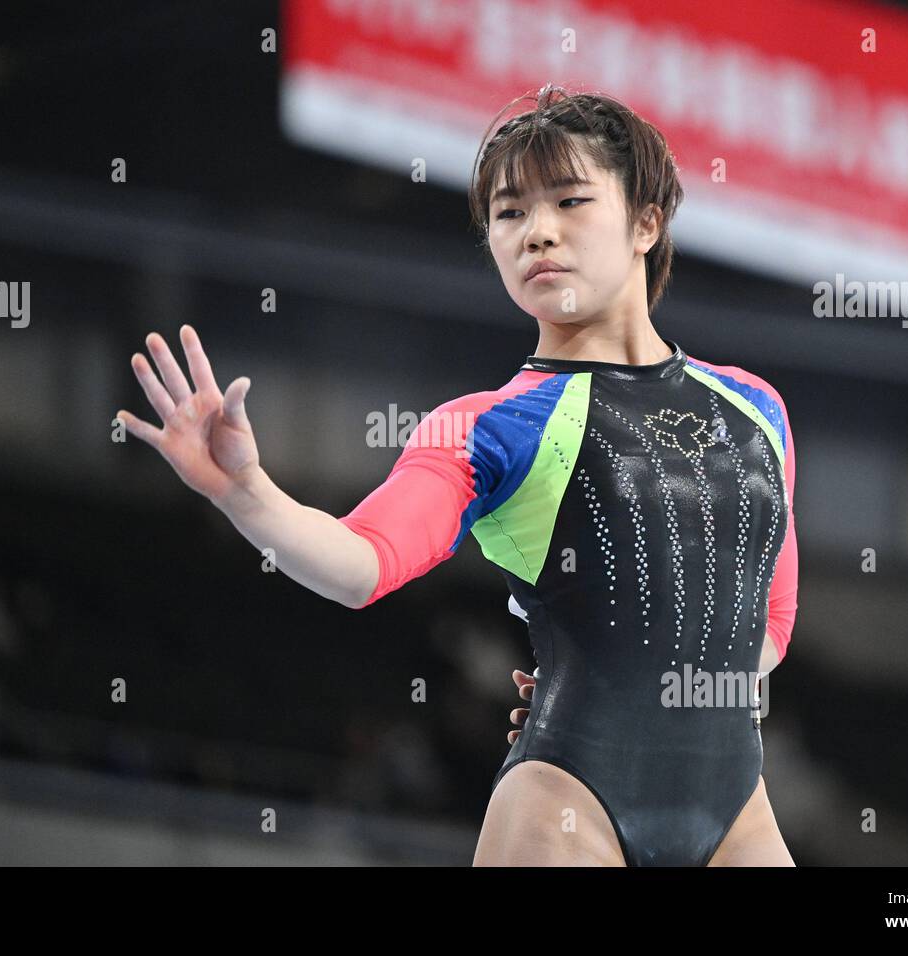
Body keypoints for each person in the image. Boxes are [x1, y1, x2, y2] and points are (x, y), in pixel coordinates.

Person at [116, 85, 798, 866]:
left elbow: (771, 622)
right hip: (569, 803)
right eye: (509, 214)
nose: (537, 233)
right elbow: (360, 564)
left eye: (571, 201)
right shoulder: (485, 426)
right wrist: (245, 491)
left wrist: (665, 690)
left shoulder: (755, 409)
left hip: (738, 811)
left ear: (646, 221)